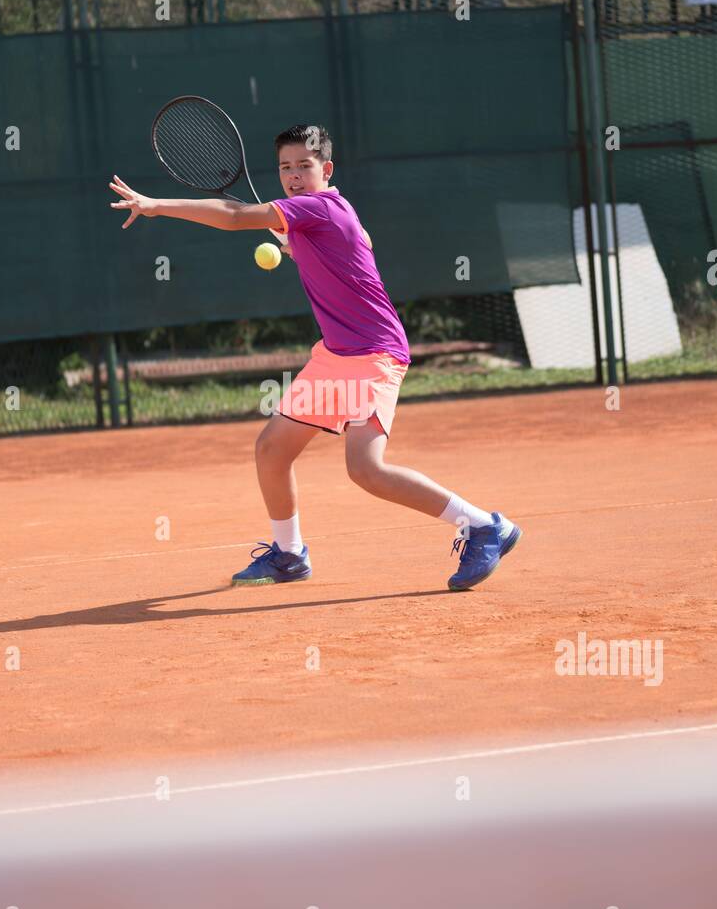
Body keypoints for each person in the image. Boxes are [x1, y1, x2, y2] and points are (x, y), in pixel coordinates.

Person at [109, 124, 521, 590]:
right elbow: (358, 245)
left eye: (304, 166)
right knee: (271, 450)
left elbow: (232, 214)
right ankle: (288, 554)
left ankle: (485, 526)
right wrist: (302, 247)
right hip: (336, 355)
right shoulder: (321, 214)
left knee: (366, 469)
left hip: (373, 354)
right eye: (285, 167)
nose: (293, 175)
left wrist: (156, 206)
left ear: (325, 169)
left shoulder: (318, 208)